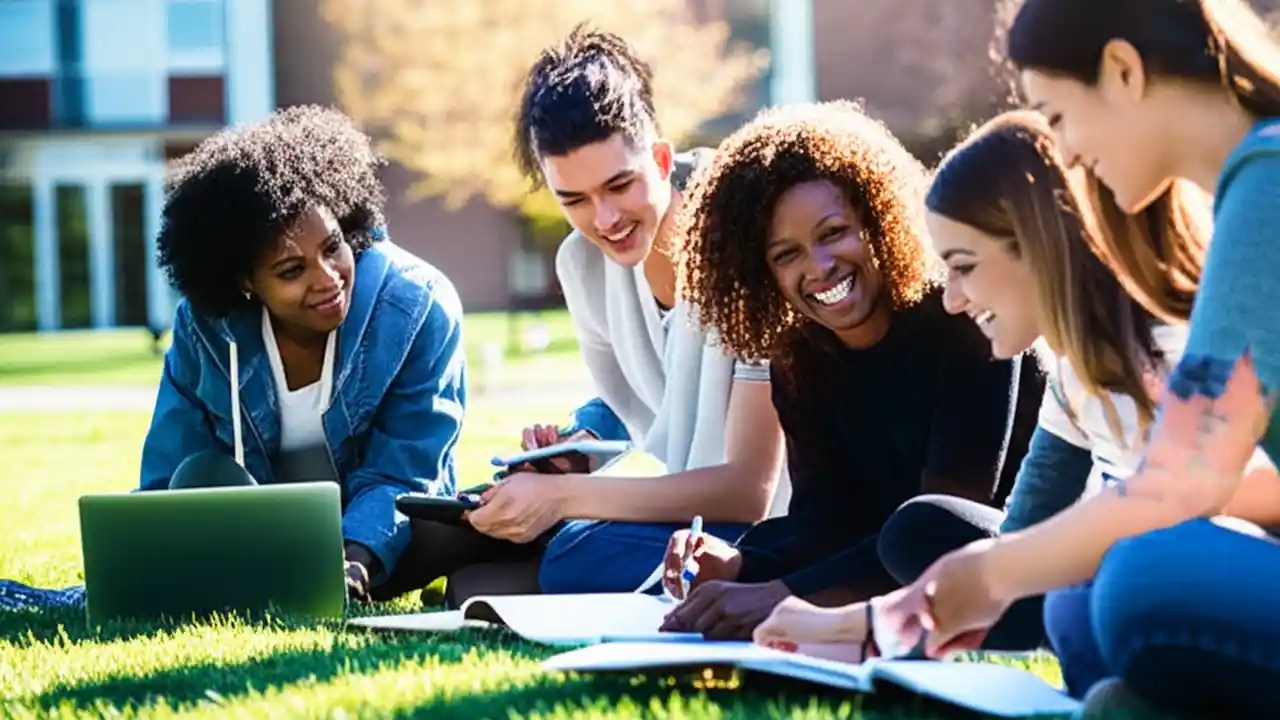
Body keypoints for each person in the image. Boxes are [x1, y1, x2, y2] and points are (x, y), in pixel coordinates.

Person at [758, 1, 1280, 716]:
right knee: (1081, 620)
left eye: (1056, 118)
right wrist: (878, 622)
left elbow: (1185, 482)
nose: (1064, 160)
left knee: (1138, 576)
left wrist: (993, 569)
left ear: (1123, 71)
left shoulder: (1268, 182)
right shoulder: (1247, 191)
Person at [403, 25, 786, 600]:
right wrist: (576, 451)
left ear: (660, 159)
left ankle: (528, 573)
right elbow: (638, 401)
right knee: (440, 533)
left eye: (619, 185)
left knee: (560, 558)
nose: (604, 219)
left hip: (758, 527)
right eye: (573, 200)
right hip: (680, 510)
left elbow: (749, 490)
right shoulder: (583, 264)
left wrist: (562, 501)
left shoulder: (747, 242)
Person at [655, 100, 1040, 641]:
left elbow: (954, 513)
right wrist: (742, 568)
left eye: (833, 232)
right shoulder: (799, 354)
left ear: (876, 219)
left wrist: (784, 596)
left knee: (918, 529)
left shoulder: (966, 313)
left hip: (999, 548)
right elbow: (826, 524)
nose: (819, 266)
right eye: (786, 255)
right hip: (899, 554)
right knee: (771, 538)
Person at [140, 105, 467, 603]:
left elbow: (405, 468)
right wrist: (149, 555)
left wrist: (350, 565)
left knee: (433, 525)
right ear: (245, 282)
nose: (328, 279)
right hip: (260, 539)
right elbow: (175, 465)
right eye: (292, 271)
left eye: (332, 247)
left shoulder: (418, 307)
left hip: (391, 536)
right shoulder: (207, 327)